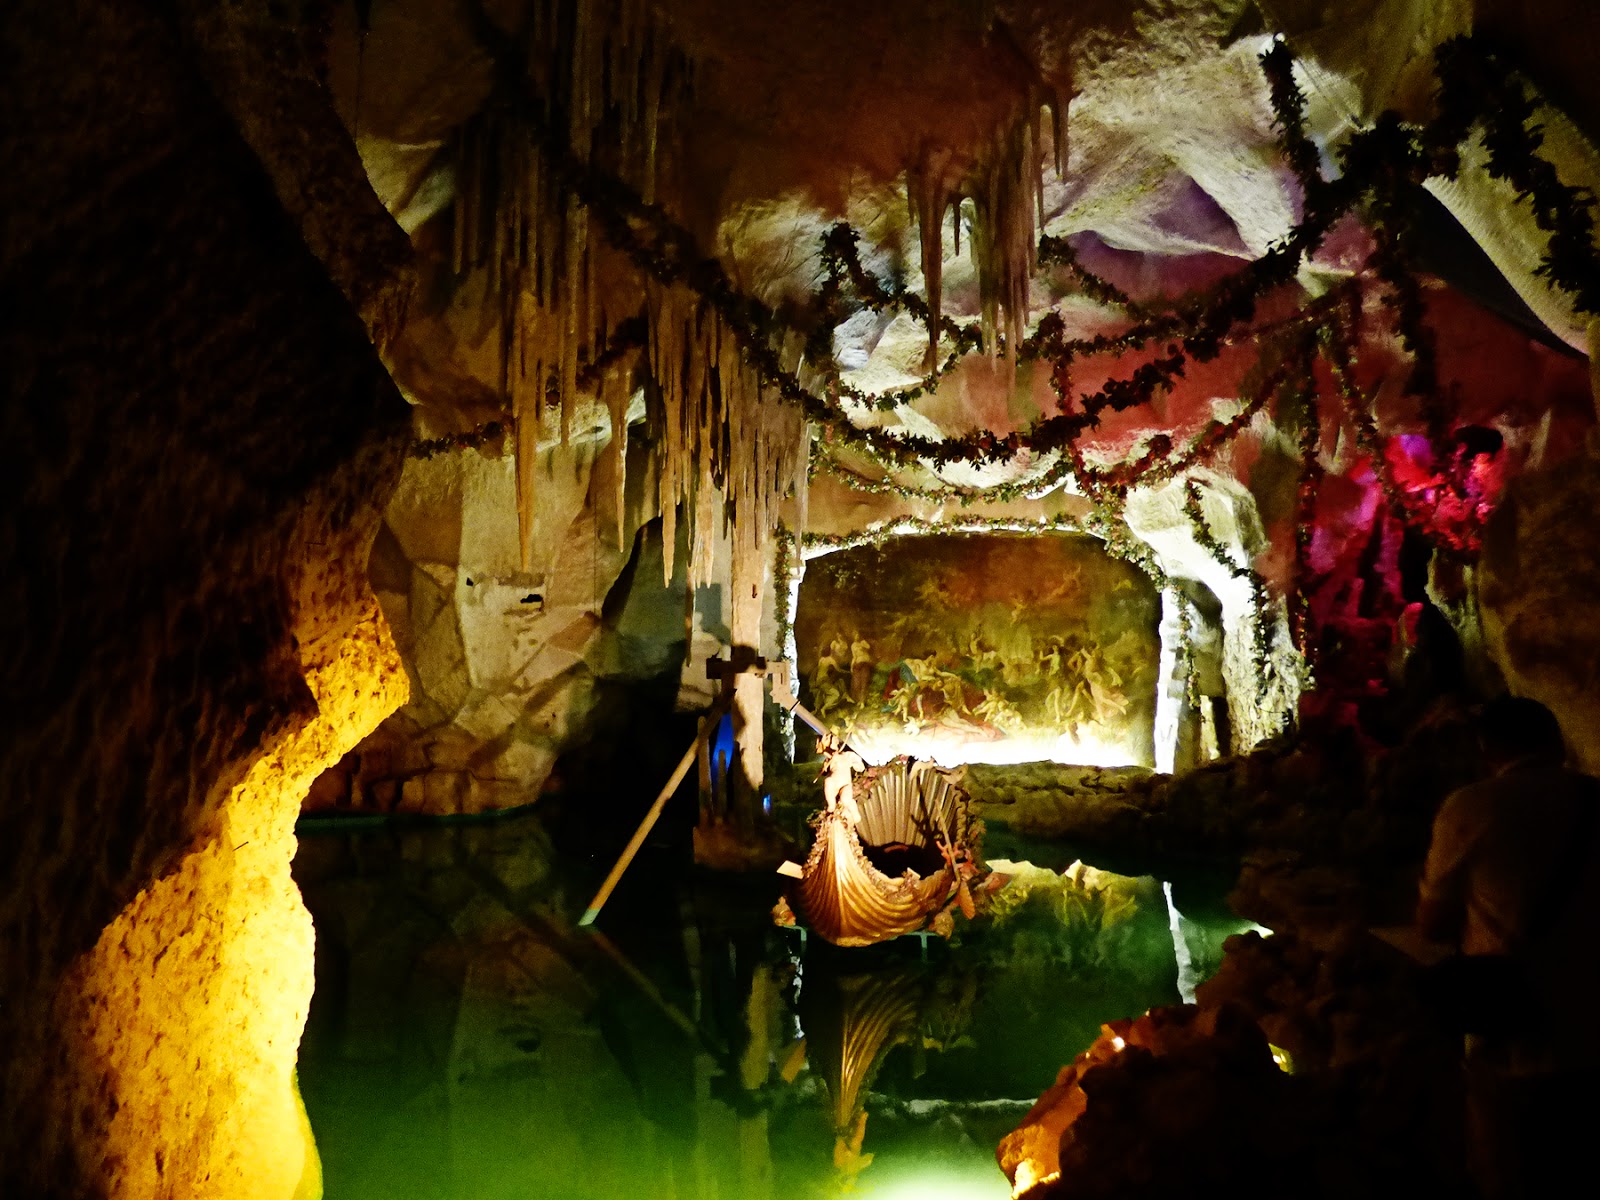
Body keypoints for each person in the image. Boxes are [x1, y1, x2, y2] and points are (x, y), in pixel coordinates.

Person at [1415, 695, 1600, 1199]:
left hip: (1514, 1024)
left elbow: (1431, 923)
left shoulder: (1472, 807)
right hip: (1593, 1018)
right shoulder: (1593, 799)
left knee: (1510, 1166)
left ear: (1486, 747)